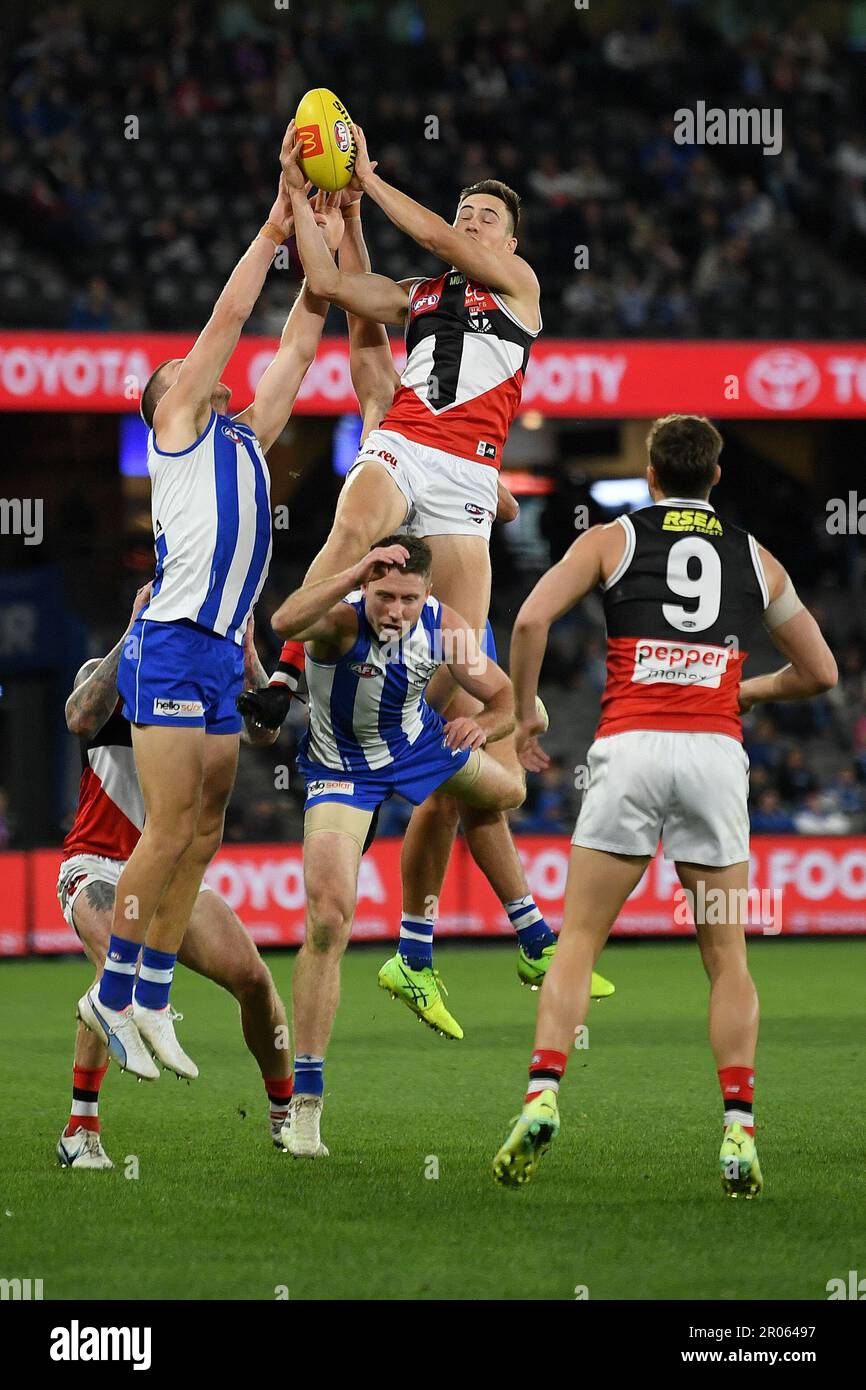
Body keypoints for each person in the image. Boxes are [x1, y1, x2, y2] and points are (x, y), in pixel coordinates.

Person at [275, 139, 614, 1023]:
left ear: (511, 239)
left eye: (487, 217)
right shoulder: (423, 301)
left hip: (467, 479)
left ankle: (450, 945)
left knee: (469, 702)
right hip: (409, 443)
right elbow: (339, 289)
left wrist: (370, 182)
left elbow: (434, 242)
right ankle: (286, 665)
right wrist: (310, 209)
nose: (471, 223)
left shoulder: (522, 290)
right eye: (466, 210)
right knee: (353, 519)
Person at [492, 414, 837, 1197]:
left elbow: (532, 618)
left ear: (650, 475)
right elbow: (819, 672)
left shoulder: (610, 540)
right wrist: (742, 689)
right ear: (717, 477)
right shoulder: (754, 555)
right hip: (714, 754)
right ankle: (739, 1130)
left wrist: (521, 719)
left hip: (630, 749)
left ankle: (544, 1091)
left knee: (577, 942)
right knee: (728, 961)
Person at [77, 141, 343, 1080]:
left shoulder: (243, 435)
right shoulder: (179, 426)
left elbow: (302, 341)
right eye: (178, 372)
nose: (196, 370)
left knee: (206, 825)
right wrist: (275, 222)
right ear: (163, 404)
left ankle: (150, 996)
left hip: (220, 646)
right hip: (171, 641)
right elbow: (234, 316)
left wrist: (331, 236)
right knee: (167, 826)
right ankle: (109, 999)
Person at [270, 536, 527, 1158]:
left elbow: (503, 700)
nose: (395, 611)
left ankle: (417, 953)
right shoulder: (339, 622)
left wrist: (485, 725)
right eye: (384, 596)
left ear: (427, 594)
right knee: (329, 921)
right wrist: (352, 573)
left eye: (409, 598)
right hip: (342, 776)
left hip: (418, 750)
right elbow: (283, 620)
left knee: (512, 791)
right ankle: (305, 1105)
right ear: (367, 589)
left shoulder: (443, 626)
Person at [57, 588, 294, 1167]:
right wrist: (134, 631)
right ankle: (79, 1131)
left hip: (176, 873)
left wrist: (247, 656)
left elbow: (263, 733)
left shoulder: (212, 676)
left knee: (255, 981)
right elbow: (79, 716)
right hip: (96, 863)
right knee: (116, 961)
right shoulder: (118, 669)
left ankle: (288, 1115)